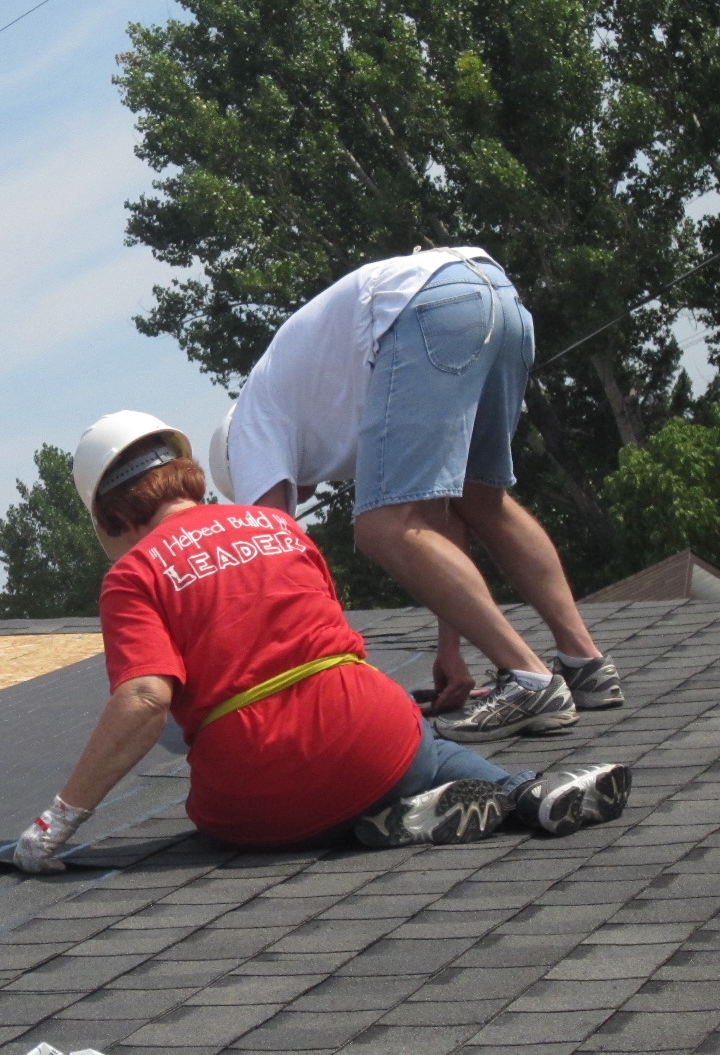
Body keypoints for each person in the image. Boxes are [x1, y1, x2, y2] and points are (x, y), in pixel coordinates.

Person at [11, 411, 630, 871]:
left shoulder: (132, 574)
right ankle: (523, 791)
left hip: (258, 793)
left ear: (113, 520)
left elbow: (146, 699)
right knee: (425, 750)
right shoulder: (278, 526)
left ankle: (374, 825)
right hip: (372, 739)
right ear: (191, 480)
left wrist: (57, 822)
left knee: (212, 809)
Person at [208, 247, 620, 744]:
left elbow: (272, 561)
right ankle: (586, 664)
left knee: (380, 526)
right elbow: (438, 518)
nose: (303, 493)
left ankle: (531, 681)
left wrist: (308, 688)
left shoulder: (250, 425)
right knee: (479, 497)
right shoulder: (316, 404)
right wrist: (452, 649)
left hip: (424, 307)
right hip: (492, 295)